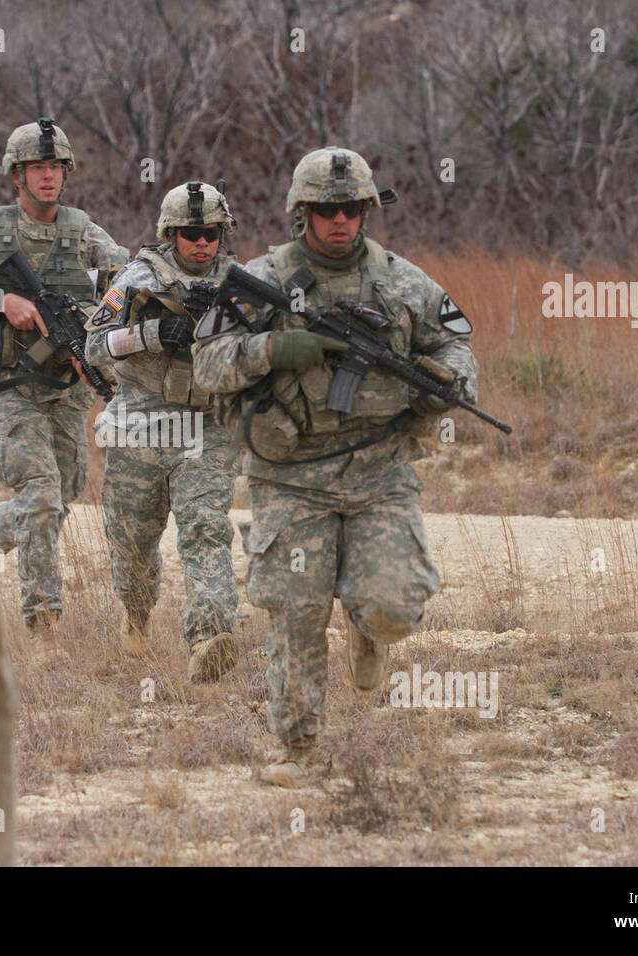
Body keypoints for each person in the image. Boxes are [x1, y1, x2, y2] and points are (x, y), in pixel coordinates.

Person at [192, 148, 479, 787]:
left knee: (393, 605)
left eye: (352, 209)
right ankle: (295, 746)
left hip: (381, 470)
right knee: (295, 607)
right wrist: (272, 346)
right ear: (302, 214)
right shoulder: (260, 278)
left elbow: (456, 345)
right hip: (291, 471)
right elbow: (207, 362)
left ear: (368, 212)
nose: (340, 221)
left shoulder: (404, 282)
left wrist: (447, 382)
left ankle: (368, 626)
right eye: (326, 210)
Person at [0, 118, 127, 638]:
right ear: (16, 175)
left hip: (67, 388)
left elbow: (127, 285)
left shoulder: (85, 232)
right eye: (37, 168)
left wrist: (97, 322)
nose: (47, 177)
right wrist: (3, 302)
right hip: (11, 385)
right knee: (41, 494)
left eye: (55, 167)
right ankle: (43, 623)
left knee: (60, 497)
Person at [84, 181, 240, 680]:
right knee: (131, 545)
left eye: (211, 233)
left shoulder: (243, 283)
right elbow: (94, 348)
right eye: (191, 233)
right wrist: (151, 333)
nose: (202, 242)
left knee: (205, 530)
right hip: (138, 428)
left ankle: (210, 637)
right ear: (171, 234)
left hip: (206, 427)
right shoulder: (136, 278)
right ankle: (136, 615)